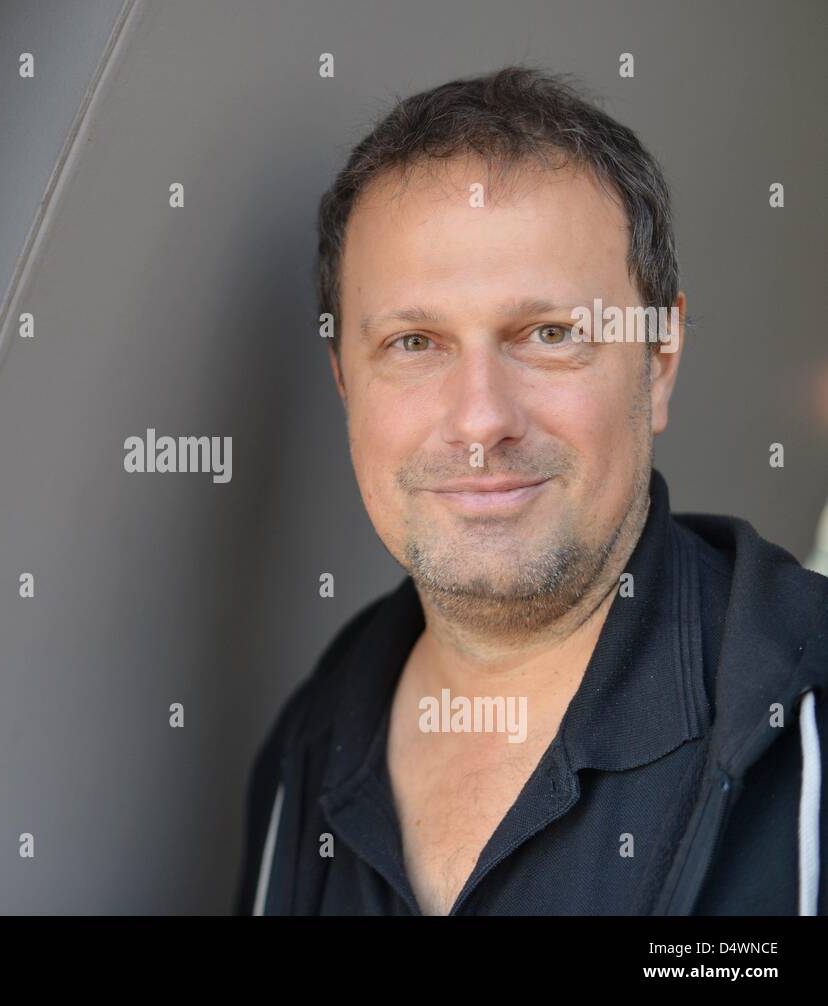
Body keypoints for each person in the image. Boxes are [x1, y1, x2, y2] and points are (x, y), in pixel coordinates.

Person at [234, 66, 828, 915]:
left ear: (658, 365)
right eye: (414, 343)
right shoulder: (308, 748)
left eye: (549, 335)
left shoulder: (808, 715)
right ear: (344, 382)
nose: (481, 421)